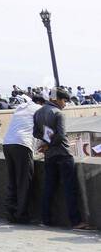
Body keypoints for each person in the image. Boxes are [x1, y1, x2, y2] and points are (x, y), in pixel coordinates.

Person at [33, 87, 92, 230]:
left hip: (49, 156)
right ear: (57, 99)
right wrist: (50, 144)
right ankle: (76, 222)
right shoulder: (58, 113)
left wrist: (46, 143)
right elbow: (60, 136)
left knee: (48, 188)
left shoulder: (38, 112)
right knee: (69, 189)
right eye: (64, 100)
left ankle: (46, 219)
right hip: (63, 154)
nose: (65, 104)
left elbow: (36, 133)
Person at [2, 93, 41, 224]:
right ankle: (21, 215)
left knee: (12, 179)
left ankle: (10, 213)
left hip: (7, 143)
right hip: (22, 144)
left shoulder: (20, 108)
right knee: (24, 181)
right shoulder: (38, 109)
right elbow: (42, 131)